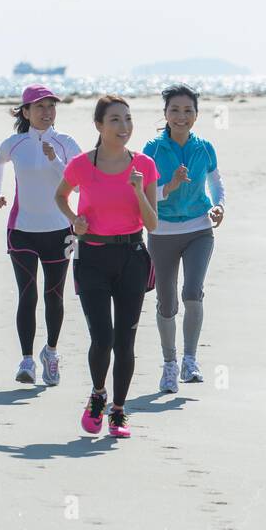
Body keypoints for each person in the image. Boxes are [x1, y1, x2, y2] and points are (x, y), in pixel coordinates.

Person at [55, 95, 160, 438]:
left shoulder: (144, 165)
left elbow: (153, 223)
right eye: (115, 120)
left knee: (124, 342)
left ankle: (118, 411)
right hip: (93, 259)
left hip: (131, 256)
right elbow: (61, 195)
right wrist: (74, 220)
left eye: (128, 119)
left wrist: (139, 191)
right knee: (102, 338)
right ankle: (98, 394)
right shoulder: (82, 165)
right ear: (99, 125)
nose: (124, 126)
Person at [0, 84, 81, 386]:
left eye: (51, 106)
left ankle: (51, 354)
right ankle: (27, 360)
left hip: (59, 231)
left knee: (53, 297)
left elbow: (79, 186)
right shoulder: (15, 143)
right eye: (39, 107)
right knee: (27, 296)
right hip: (22, 231)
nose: (47, 112)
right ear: (25, 112)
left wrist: (55, 160)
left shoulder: (66, 143)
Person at [142, 84, 225, 393]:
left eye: (188, 110)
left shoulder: (205, 148)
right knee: (167, 303)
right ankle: (170, 364)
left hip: (199, 230)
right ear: (165, 114)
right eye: (174, 110)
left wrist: (219, 206)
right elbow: (143, 194)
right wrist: (169, 187)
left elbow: (216, 182)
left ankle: (191, 360)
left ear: (196, 115)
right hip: (162, 232)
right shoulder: (151, 149)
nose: (181, 116)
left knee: (193, 293)